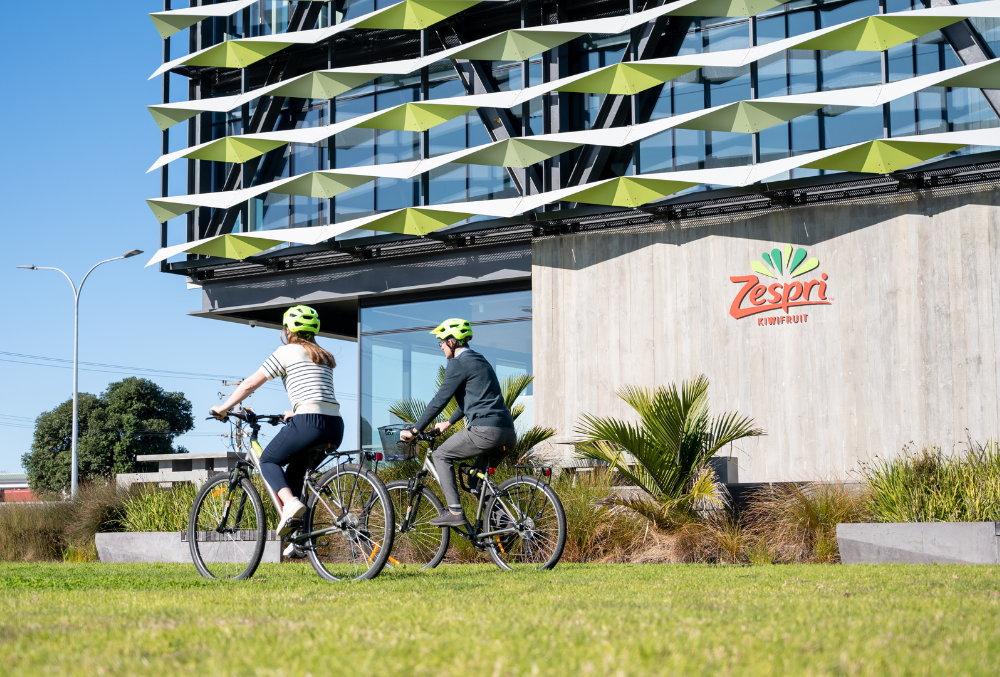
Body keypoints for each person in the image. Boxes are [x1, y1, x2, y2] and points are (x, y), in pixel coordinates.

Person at [210, 305, 343, 550]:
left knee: (268, 461)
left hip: (309, 423)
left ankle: (291, 506)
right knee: (295, 473)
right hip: (334, 425)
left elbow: (250, 384)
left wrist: (224, 407)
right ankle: (300, 537)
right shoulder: (322, 355)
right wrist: (295, 411)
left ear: (288, 330)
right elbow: (317, 394)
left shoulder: (286, 352)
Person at [400, 318, 517, 527]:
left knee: (440, 455)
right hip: (507, 432)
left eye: (442, 342)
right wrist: (449, 422)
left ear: (452, 342)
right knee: (475, 482)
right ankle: (507, 525)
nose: (441, 347)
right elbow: (472, 399)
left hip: (485, 430)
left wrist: (415, 430)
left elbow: (439, 399)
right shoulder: (480, 360)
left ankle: (454, 511)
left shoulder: (458, 363)